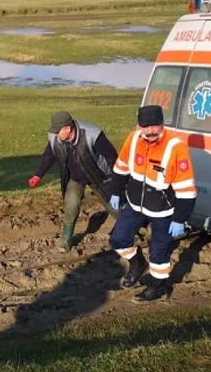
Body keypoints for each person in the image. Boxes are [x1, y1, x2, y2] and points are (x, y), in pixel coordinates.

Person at [108, 105, 197, 303]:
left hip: (163, 210)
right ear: (139, 126)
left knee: (159, 252)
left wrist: (180, 219)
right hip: (136, 205)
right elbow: (121, 167)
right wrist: (116, 192)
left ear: (162, 124)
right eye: (145, 126)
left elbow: (186, 189)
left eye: (154, 126)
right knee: (117, 239)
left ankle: (158, 287)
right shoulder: (133, 139)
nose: (150, 131)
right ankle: (137, 262)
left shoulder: (176, 147)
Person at [28, 110, 119, 252]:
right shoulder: (55, 137)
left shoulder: (92, 134)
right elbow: (49, 154)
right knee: (71, 207)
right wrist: (38, 175)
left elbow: (111, 156)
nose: (56, 135)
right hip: (75, 178)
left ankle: (132, 231)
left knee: (112, 205)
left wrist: (118, 181)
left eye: (58, 131)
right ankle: (66, 241)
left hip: (97, 175)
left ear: (67, 128)